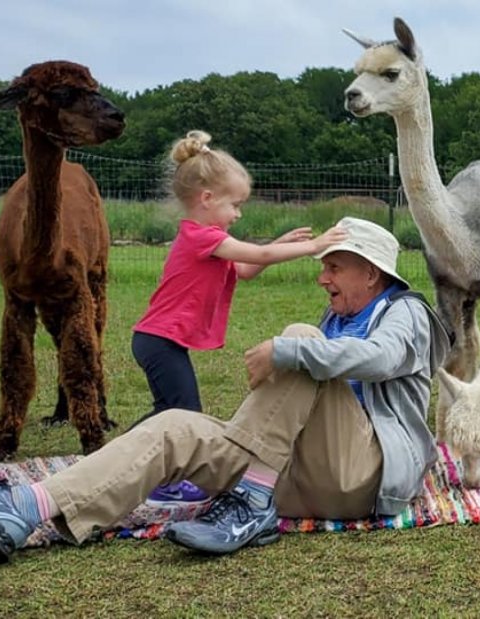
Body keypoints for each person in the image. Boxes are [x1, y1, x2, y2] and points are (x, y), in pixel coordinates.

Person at [0, 216, 449, 564]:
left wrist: (288, 352)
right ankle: (21, 511)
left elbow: (381, 358)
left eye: (333, 266)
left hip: (363, 478)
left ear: (373, 274)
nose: (322, 278)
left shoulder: (405, 313)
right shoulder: (336, 318)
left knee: (299, 340)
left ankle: (249, 500)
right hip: (294, 475)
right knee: (173, 426)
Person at [132, 130, 346, 506]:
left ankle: (128, 460)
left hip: (161, 341)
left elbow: (247, 268)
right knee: (182, 412)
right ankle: (157, 481)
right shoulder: (202, 237)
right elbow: (256, 257)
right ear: (207, 199)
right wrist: (312, 246)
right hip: (158, 341)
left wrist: (279, 243)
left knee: (170, 409)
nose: (239, 213)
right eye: (235, 204)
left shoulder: (211, 241)